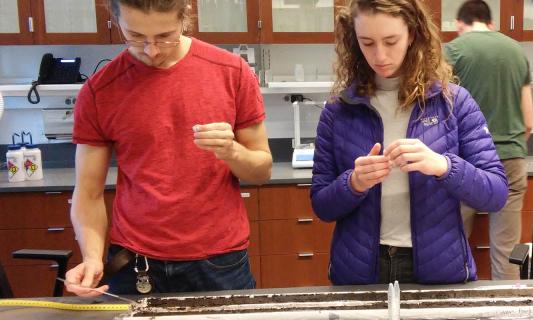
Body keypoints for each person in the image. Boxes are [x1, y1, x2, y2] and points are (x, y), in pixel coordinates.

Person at [65, 0, 272, 296]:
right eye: (135, 36)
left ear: (184, 16)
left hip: (219, 263)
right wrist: (91, 257)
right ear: (115, 20)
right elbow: (87, 193)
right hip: (136, 262)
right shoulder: (100, 90)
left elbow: (262, 170)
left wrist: (232, 152)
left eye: (165, 36)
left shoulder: (231, 72)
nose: (152, 50)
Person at [310, 0, 508, 285]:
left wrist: (443, 166)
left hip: (438, 269)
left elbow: (496, 193)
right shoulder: (338, 111)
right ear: (355, 40)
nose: (379, 55)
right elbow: (322, 205)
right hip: (361, 271)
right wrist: (353, 183)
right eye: (367, 43)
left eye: (391, 41)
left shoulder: (453, 103)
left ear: (413, 34)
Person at [443, 0, 533, 280]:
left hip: (466, 162)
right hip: (511, 159)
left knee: (452, 247)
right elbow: (529, 121)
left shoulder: (453, 50)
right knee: (507, 255)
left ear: (461, 25)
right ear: (490, 23)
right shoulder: (516, 50)